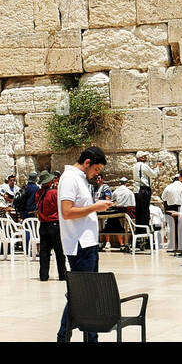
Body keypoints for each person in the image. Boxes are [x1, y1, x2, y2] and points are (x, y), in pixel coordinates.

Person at [57, 146, 115, 342]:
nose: (96, 174)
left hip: (87, 244)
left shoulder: (80, 179)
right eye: (96, 169)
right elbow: (67, 211)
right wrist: (95, 207)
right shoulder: (70, 178)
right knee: (82, 294)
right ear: (87, 163)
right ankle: (67, 335)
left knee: (86, 294)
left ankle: (85, 336)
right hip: (79, 245)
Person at [35, 171, 67, 282]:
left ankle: (43, 275)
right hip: (54, 225)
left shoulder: (38, 193)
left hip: (43, 225)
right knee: (59, 251)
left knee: (44, 252)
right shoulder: (54, 193)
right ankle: (62, 275)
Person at [132, 154, 164, 233]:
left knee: (139, 212)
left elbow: (144, 174)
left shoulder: (135, 166)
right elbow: (153, 174)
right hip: (144, 191)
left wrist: (153, 167)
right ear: (140, 158)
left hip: (137, 190)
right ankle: (145, 232)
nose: (145, 158)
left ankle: (139, 231)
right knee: (145, 212)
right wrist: (158, 167)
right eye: (144, 156)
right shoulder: (143, 165)